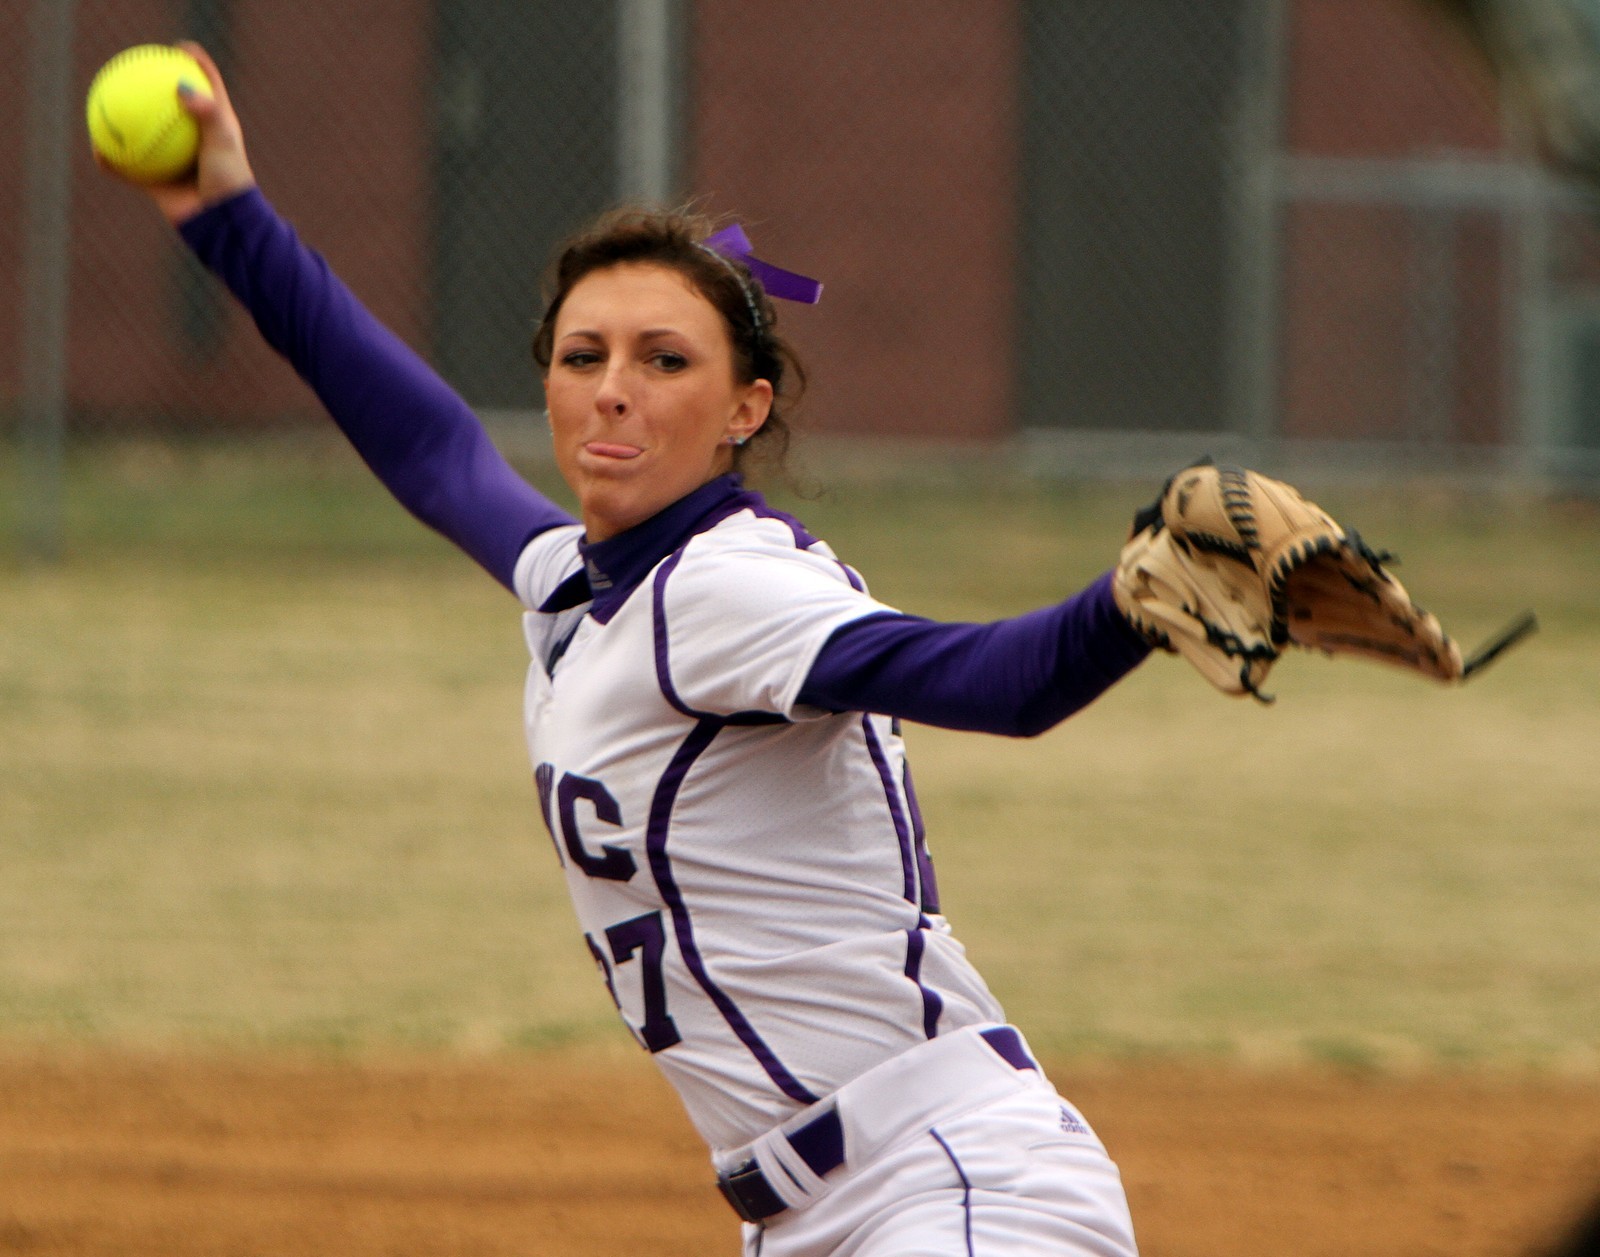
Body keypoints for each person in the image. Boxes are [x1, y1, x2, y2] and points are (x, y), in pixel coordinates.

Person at [107, 43, 1153, 1256]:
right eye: (583, 356)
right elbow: (431, 450)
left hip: (955, 1191)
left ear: (745, 408)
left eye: (666, 361)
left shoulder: (727, 587)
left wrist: (1128, 604)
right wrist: (226, 214)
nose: (614, 389)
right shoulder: (579, 584)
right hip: (823, 1214)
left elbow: (994, 683)